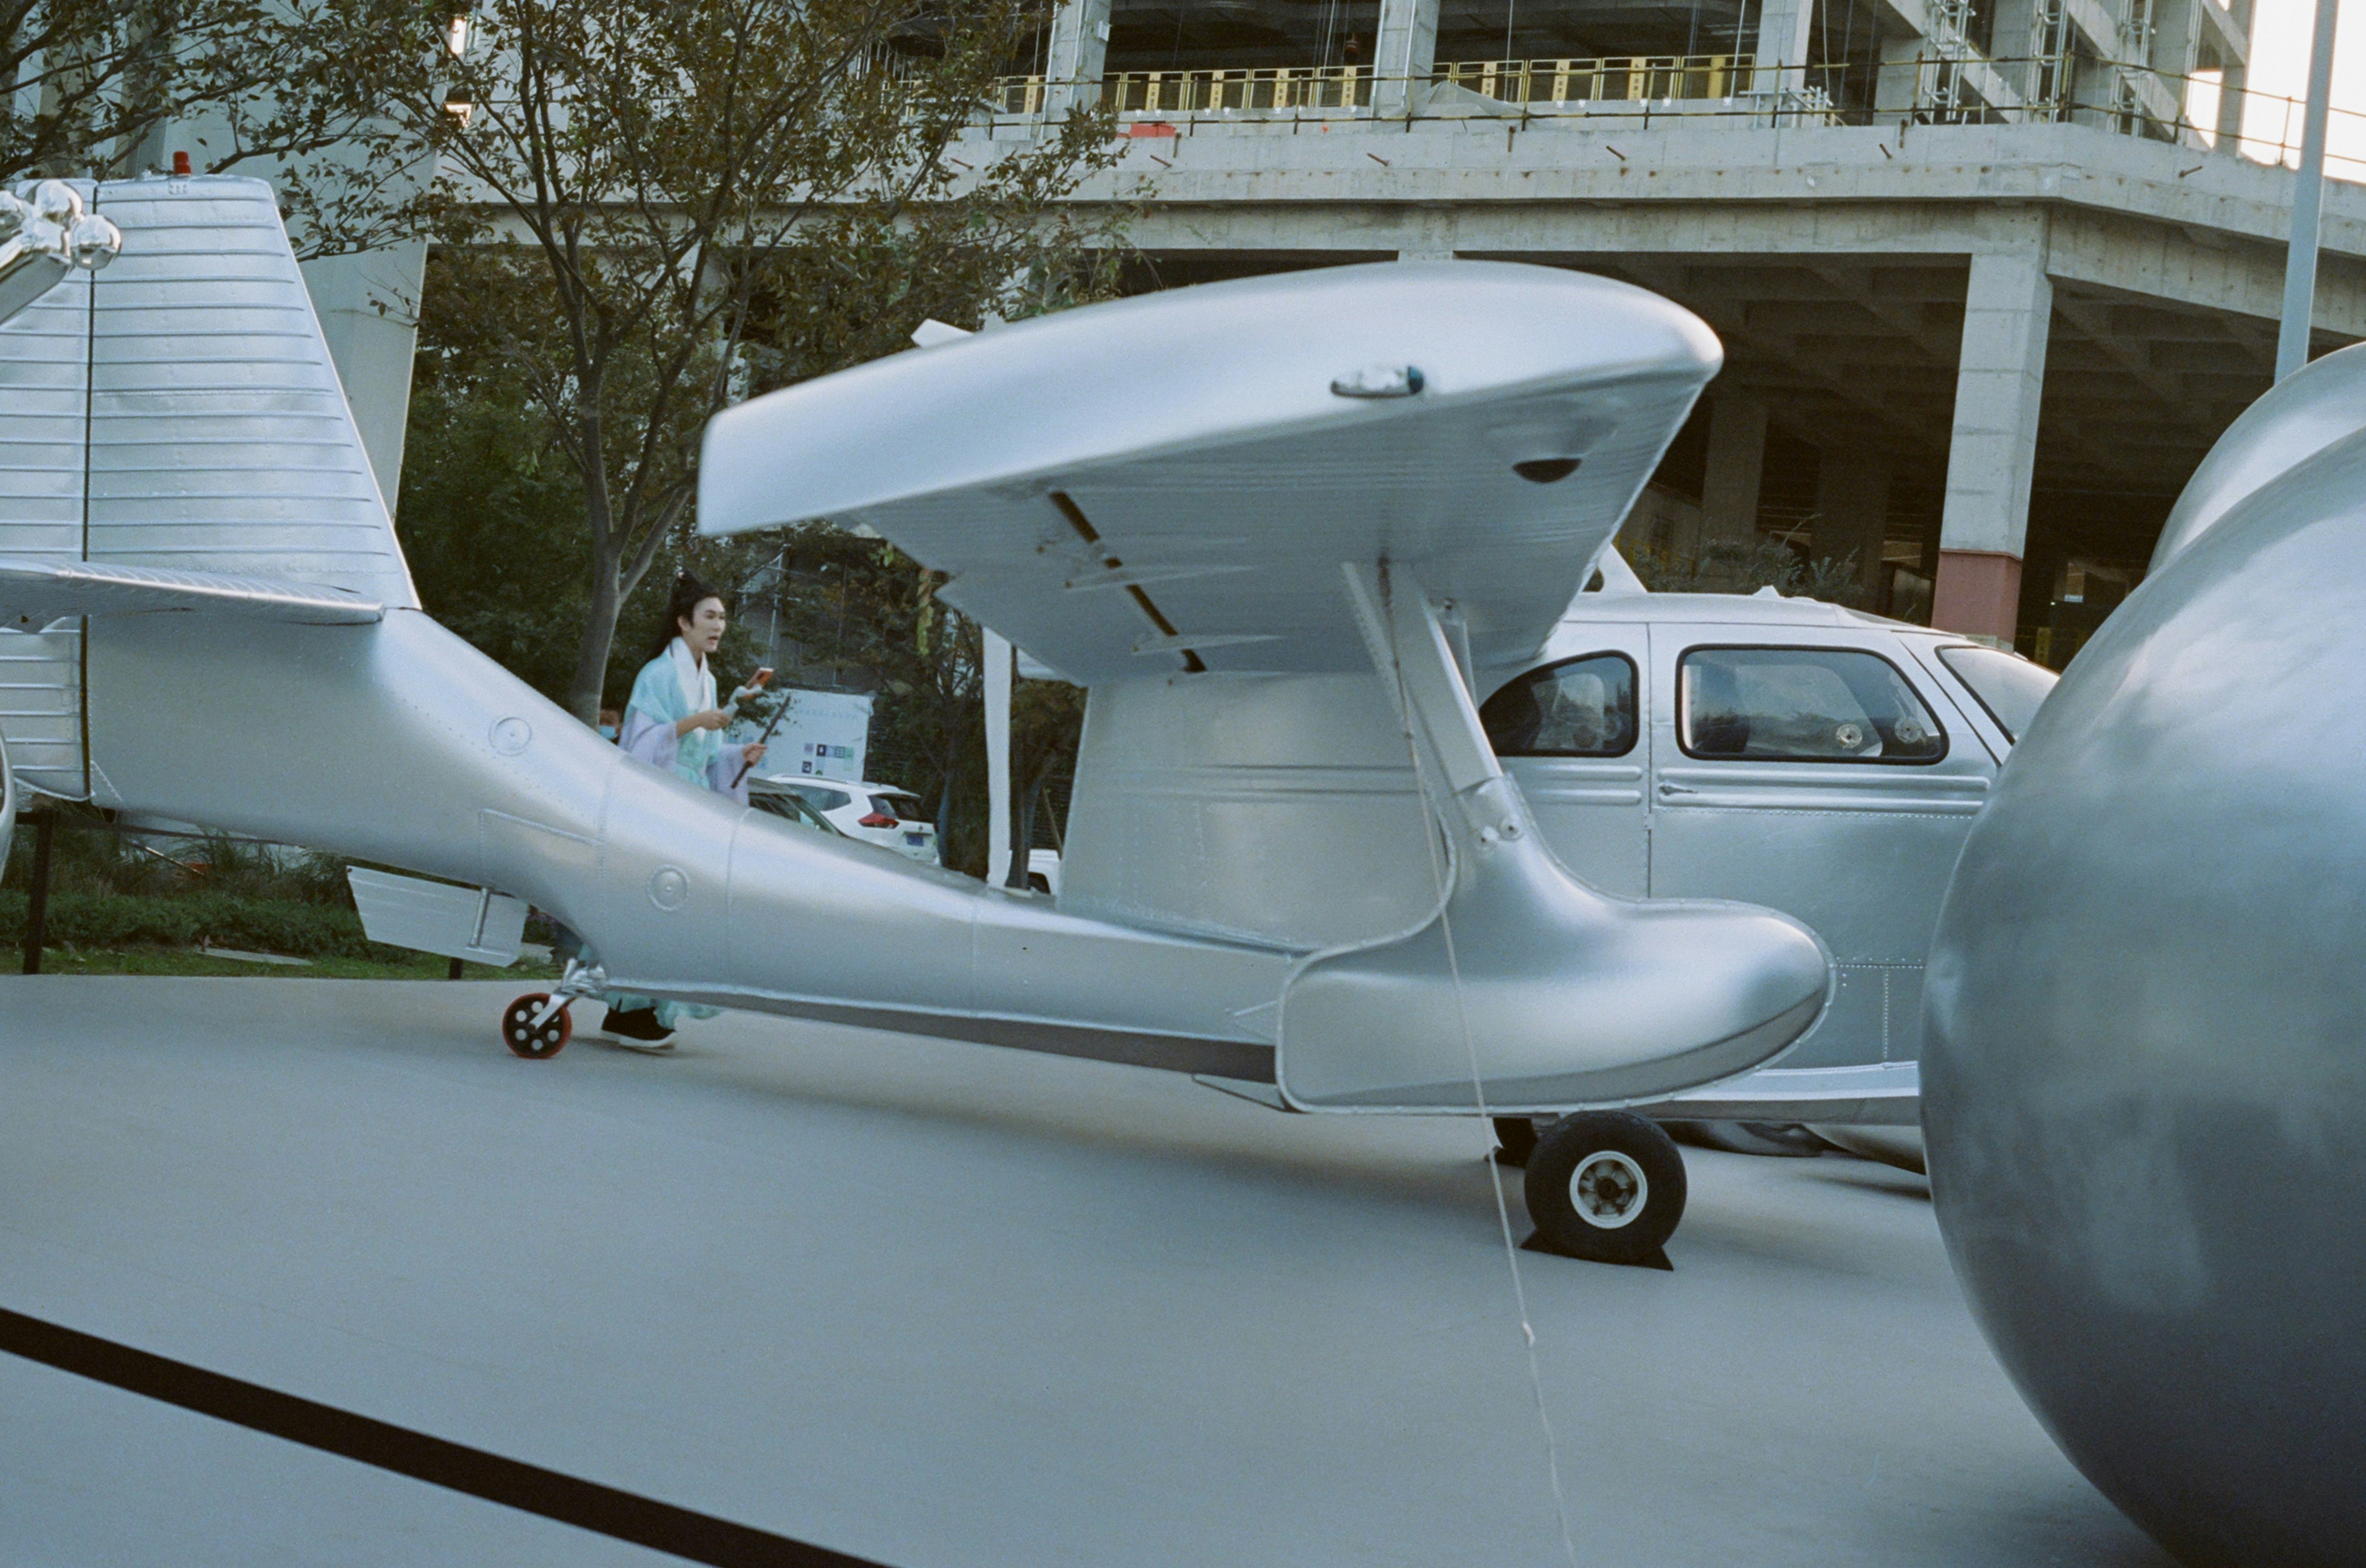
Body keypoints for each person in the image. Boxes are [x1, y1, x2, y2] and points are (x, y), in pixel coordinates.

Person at [597, 574, 771, 1048]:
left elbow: (709, 755)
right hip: (659, 807)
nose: (719, 626)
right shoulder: (657, 674)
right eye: (710, 617)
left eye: (722, 618)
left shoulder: (709, 681)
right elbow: (636, 747)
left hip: (687, 804)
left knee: (678, 906)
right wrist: (695, 720)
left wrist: (740, 755)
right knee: (657, 905)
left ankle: (644, 1010)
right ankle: (632, 1011)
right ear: (683, 622)